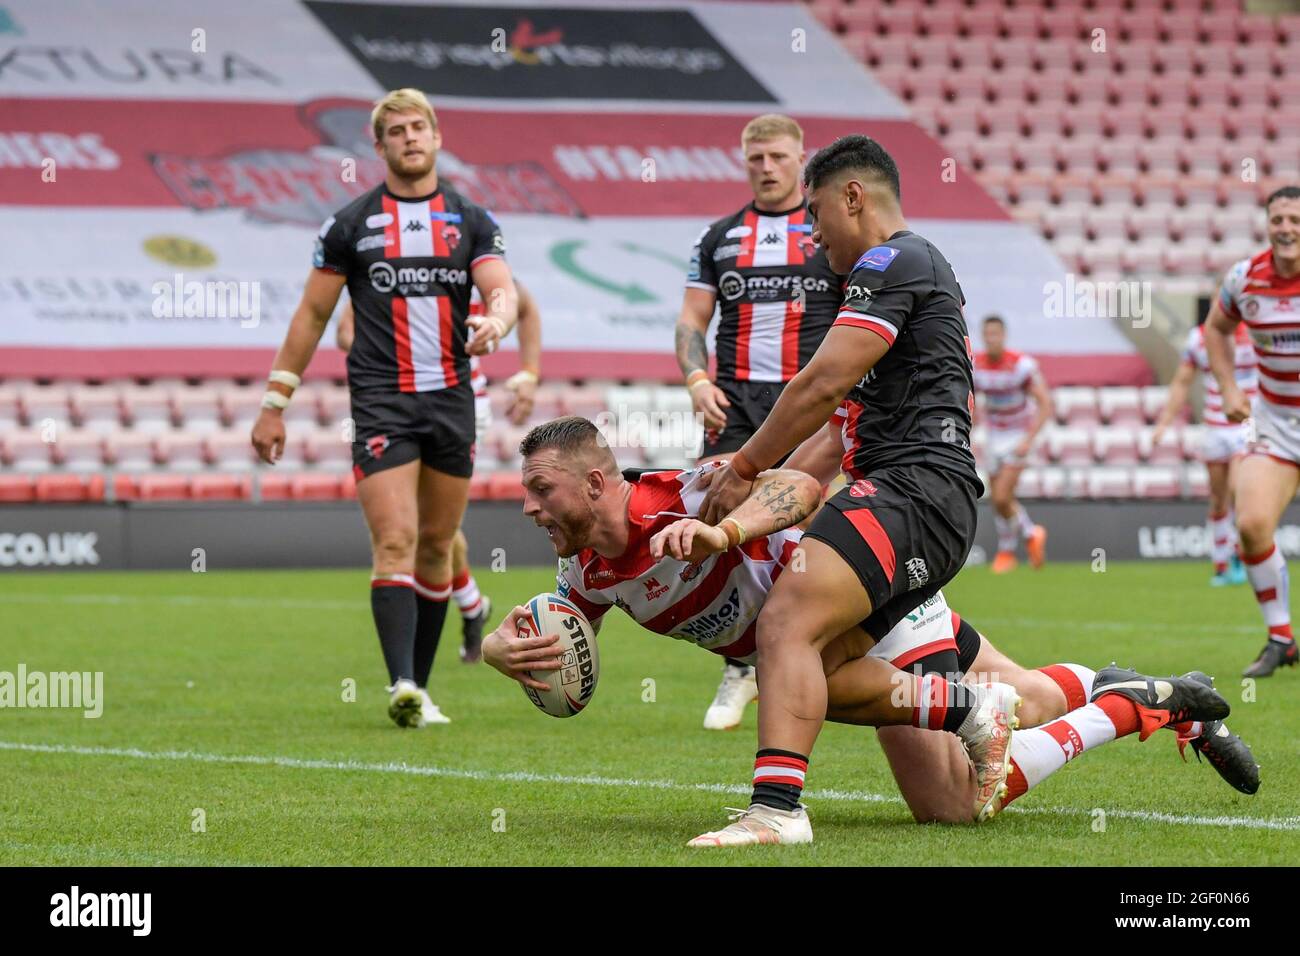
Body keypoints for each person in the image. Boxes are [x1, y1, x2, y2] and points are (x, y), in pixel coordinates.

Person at [478, 417, 1245, 839]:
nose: (528, 508)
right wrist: (494, 650)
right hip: (842, 640)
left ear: (597, 483)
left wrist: (730, 526)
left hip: (874, 610)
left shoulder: (685, 493)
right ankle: (1133, 688)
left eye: (541, 490)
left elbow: (798, 484)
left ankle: (1127, 709)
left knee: (948, 803)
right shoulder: (585, 574)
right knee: (1030, 700)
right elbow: (558, 651)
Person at [694, 134, 993, 844]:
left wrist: (740, 468)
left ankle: (776, 812)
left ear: (853, 197)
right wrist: (762, 482)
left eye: (818, 211)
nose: (811, 231)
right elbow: (831, 434)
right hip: (919, 499)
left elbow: (818, 386)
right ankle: (990, 708)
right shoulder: (897, 287)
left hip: (912, 490)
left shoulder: (895, 260)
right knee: (816, 667)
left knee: (784, 621)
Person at [252, 88, 518, 727]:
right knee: (395, 539)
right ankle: (399, 682)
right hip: (381, 404)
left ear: (437, 134)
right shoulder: (348, 225)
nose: (408, 137)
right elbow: (314, 313)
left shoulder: (472, 220)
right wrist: (273, 402)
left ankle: (419, 691)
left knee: (435, 544)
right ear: (377, 146)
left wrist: (496, 323)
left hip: (452, 400)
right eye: (395, 130)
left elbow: (501, 289)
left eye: (418, 126)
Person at [675, 114, 842, 731]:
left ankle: (805, 653)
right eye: (755, 159)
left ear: (801, 158)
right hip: (738, 404)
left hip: (809, 406)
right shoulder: (718, 238)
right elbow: (693, 321)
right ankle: (740, 663)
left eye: (777, 156)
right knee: (718, 525)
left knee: (809, 532)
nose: (766, 168)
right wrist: (697, 378)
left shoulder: (826, 230)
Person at [335, 279, 543, 662]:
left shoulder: (473, 265)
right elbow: (345, 331)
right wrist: (393, 348)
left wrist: (529, 373)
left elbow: (525, 306)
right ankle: (472, 604)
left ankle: (465, 608)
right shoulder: (389, 271)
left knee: (426, 528)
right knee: (425, 528)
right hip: (398, 403)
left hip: (458, 404)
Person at [1204, 185, 1300, 677]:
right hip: (1278, 425)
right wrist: (1229, 387)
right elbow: (1215, 329)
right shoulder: (1246, 278)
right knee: (1252, 524)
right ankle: (1282, 638)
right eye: (1278, 218)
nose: (1286, 227)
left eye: (1294, 219)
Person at [1152, 316, 1257, 585]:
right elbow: (1182, 381)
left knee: (1238, 489)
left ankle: (1238, 555)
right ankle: (1221, 563)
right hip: (1214, 426)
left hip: (1247, 424)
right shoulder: (1199, 339)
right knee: (1218, 498)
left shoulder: (1256, 332)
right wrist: (1164, 422)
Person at [972, 315, 1051, 573]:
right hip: (993, 438)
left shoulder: (1020, 365)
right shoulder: (977, 365)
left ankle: (1028, 535)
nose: (991, 339)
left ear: (1003, 336)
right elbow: (969, 402)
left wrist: (1028, 440)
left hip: (1017, 437)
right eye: (987, 334)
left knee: (1004, 496)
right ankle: (1010, 549)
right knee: (998, 500)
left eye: (996, 334)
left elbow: (1045, 403)